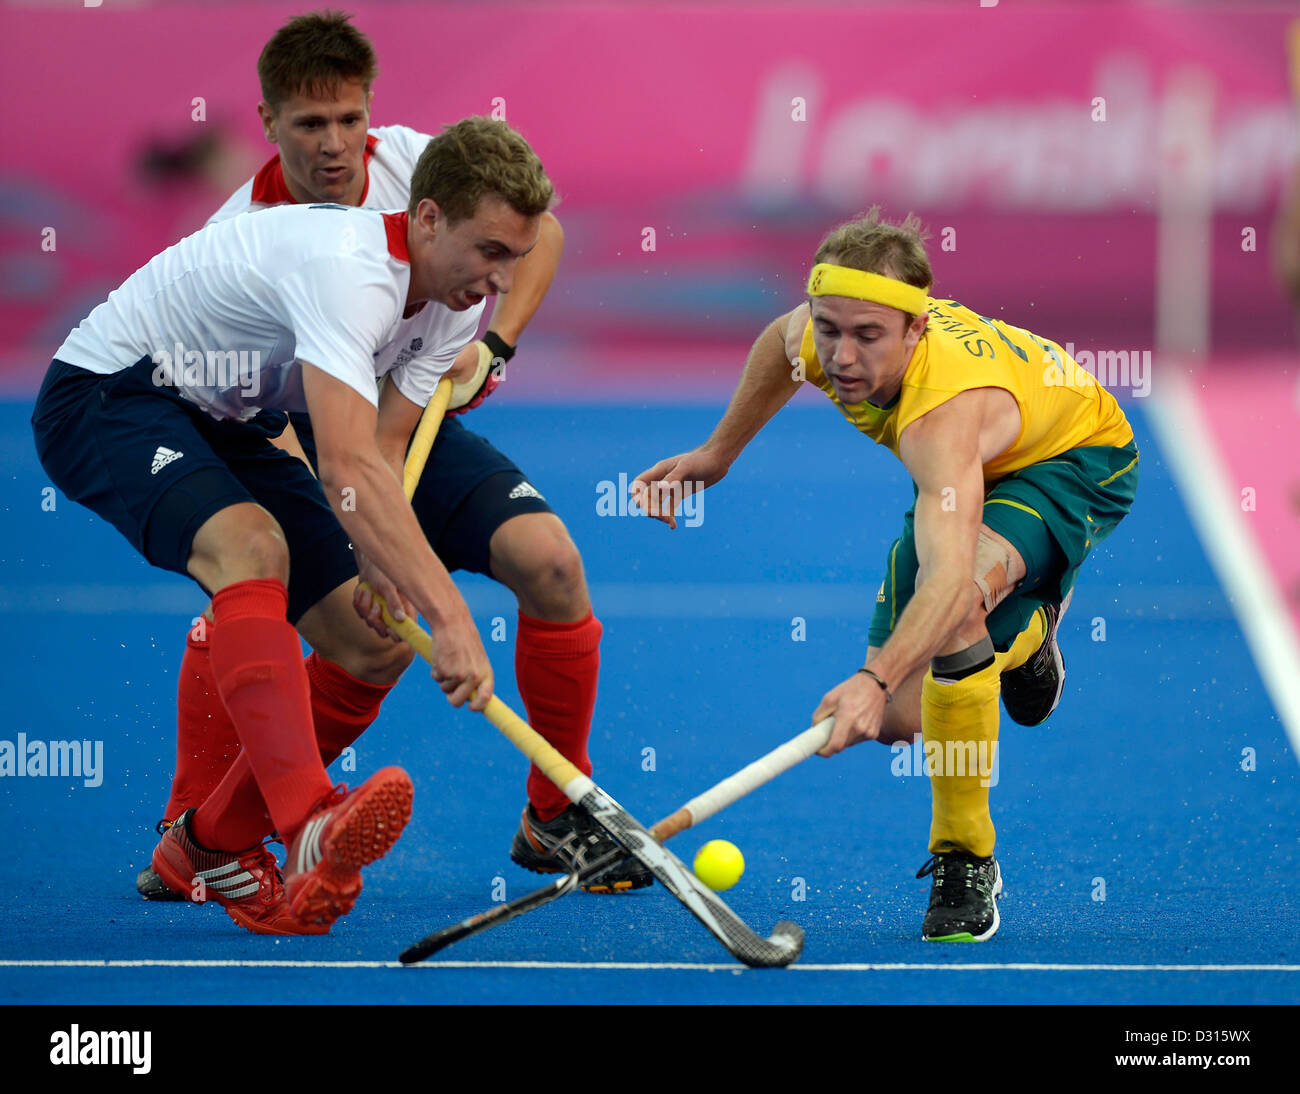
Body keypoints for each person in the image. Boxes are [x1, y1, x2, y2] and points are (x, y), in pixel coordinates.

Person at [133, 11, 652, 905]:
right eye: (311, 124)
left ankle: (556, 811)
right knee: (283, 599)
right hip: (289, 437)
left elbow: (540, 236)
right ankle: (203, 823)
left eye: (351, 120)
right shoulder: (247, 226)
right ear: (269, 122)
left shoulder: (419, 165)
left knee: (552, 563)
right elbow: (294, 429)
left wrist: (496, 347)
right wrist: (361, 533)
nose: (338, 146)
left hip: (404, 419)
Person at [32, 118, 552, 934]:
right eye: (487, 251)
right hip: (112, 393)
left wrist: (385, 572)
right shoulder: (351, 273)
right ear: (425, 220)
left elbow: (379, 458)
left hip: (223, 414)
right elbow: (342, 467)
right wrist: (451, 618)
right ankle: (308, 817)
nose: (496, 281)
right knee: (252, 548)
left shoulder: (452, 308)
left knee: (372, 641)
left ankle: (210, 846)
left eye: (512, 261)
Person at [633, 209, 1138, 941]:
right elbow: (781, 346)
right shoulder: (823, 332)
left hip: (1070, 461)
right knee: (903, 719)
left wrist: (869, 681)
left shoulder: (943, 415)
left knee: (957, 608)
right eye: (830, 328)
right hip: (963, 478)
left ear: (915, 331)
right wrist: (718, 454)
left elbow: (945, 583)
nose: (840, 355)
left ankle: (966, 858)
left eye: (868, 336)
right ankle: (1025, 639)